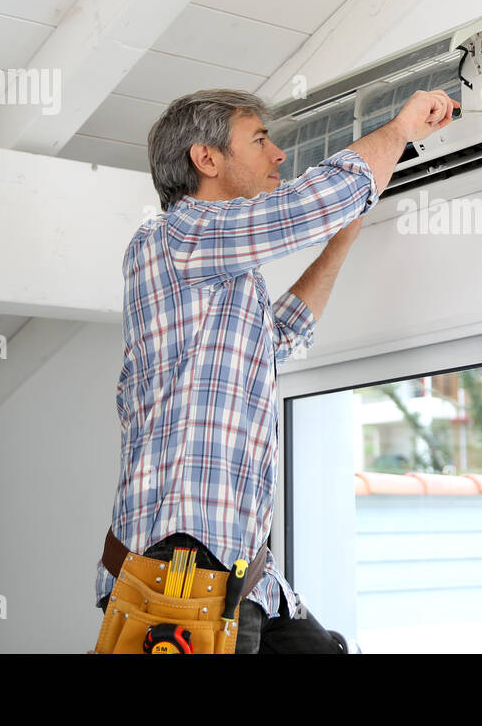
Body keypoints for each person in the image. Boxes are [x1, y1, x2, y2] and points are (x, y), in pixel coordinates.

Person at [93, 86, 456, 653]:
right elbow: (308, 206)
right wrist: (400, 129)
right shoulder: (172, 239)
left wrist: (342, 236)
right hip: (179, 577)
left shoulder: (221, 274)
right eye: (260, 139)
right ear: (206, 159)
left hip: (242, 576)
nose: (278, 154)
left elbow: (279, 334)